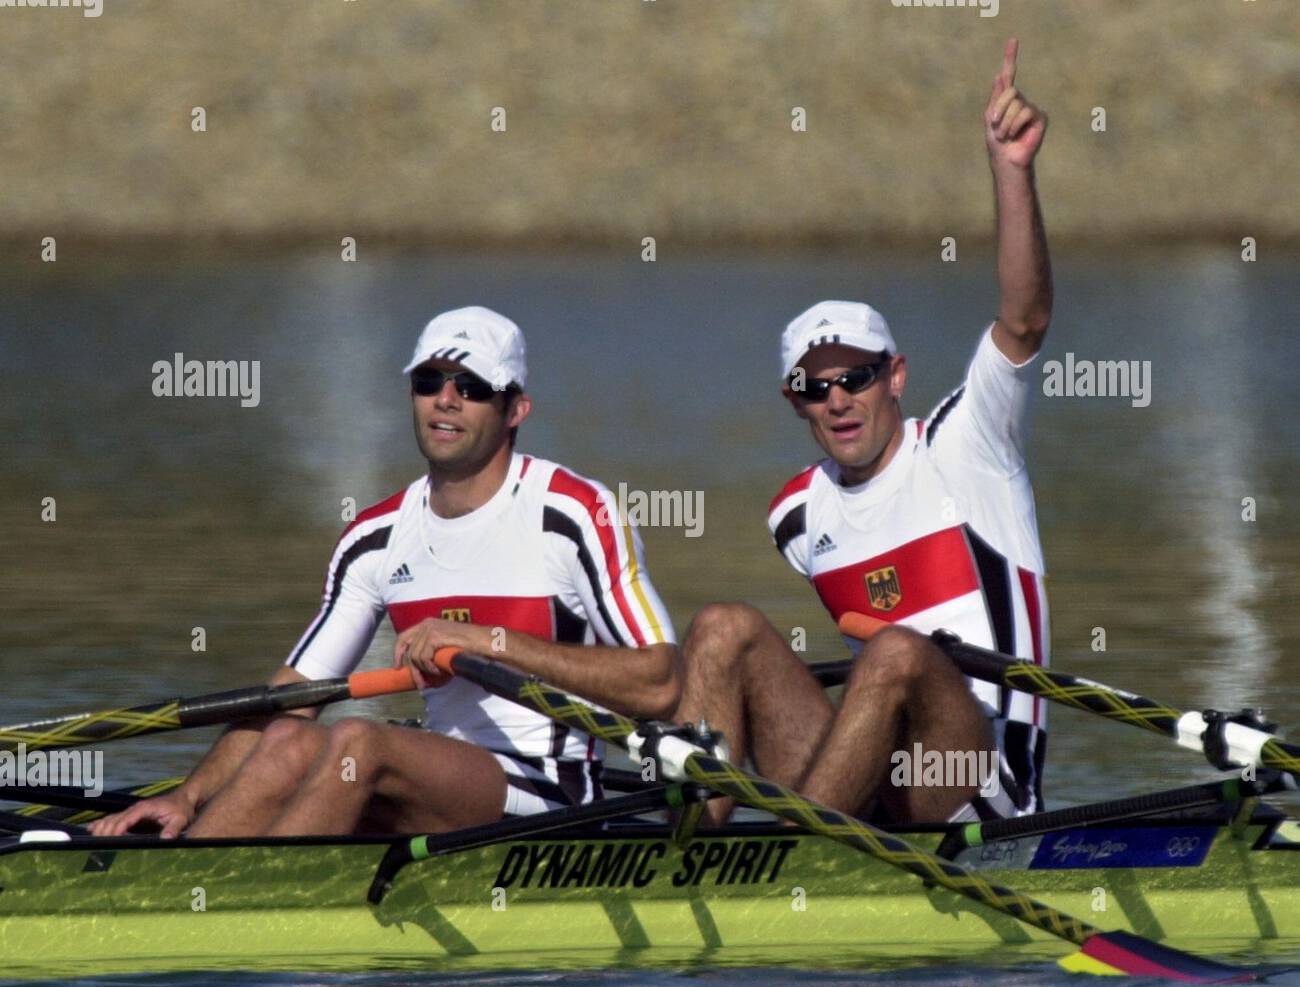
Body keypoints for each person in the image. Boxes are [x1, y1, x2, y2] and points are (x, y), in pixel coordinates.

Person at [90, 306, 679, 838]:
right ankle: (185, 869)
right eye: (429, 382)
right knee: (290, 737)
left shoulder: (575, 513)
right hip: (431, 779)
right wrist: (189, 795)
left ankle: (250, 904)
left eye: (471, 387)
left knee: (357, 739)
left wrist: (489, 643)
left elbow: (659, 681)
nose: (445, 400)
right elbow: (295, 694)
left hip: (551, 796)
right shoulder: (374, 536)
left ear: (515, 409)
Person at [675, 39, 1052, 825]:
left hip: (980, 781)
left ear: (897, 377)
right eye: (817, 387)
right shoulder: (796, 518)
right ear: (796, 401)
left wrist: (1011, 172)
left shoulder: (965, 442)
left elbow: (1023, 317)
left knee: (894, 649)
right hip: (875, 776)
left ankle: (797, 866)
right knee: (722, 629)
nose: (840, 398)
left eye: (858, 376)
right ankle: (688, 855)